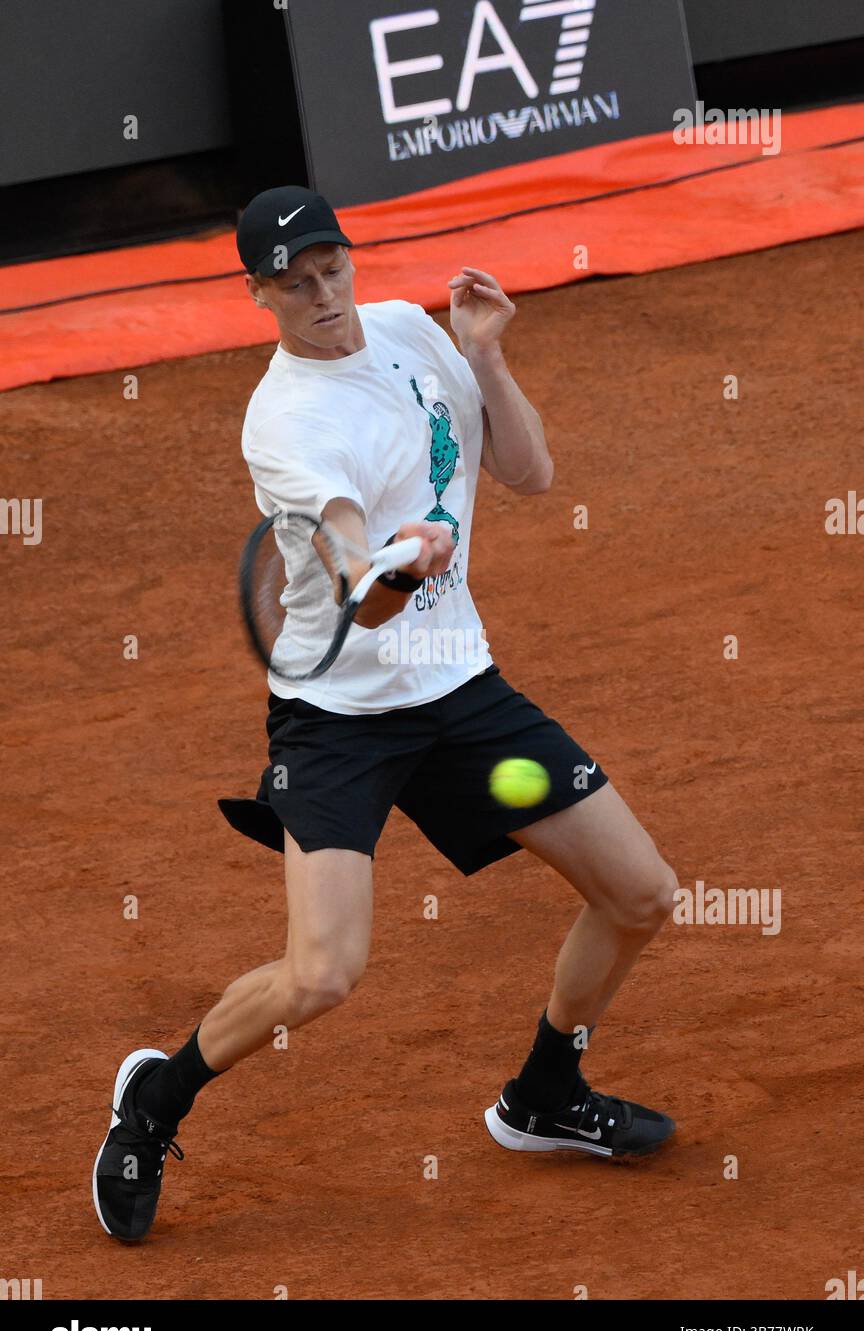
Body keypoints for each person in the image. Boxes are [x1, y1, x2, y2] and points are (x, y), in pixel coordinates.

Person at [92, 186, 678, 1243]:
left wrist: (486, 356)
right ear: (258, 294)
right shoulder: (286, 425)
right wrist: (405, 563)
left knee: (641, 893)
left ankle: (544, 1093)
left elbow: (532, 473)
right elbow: (361, 586)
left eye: (332, 268)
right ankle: (155, 1099)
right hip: (341, 720)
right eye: (294, 282)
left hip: (461, 691)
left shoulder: (411, 332)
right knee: (322, 973)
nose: (324, 295)